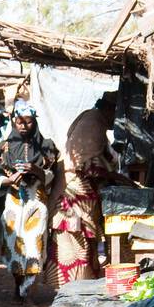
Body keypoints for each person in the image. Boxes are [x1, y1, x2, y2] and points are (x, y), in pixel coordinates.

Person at [54, 98, 125, 285]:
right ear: (109, 110)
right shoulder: (93, 124)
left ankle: (78, 285)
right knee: (77, 243)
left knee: (82, 243)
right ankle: (76, 287)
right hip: (76, 194)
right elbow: (89, 168)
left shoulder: (93, 121)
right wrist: (119, 178)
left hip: (79, 192)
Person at [0, 99, 58, 307]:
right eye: (20, 122)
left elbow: (51, 177)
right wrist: (8, 180)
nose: (24, 126)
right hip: (13, 204)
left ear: (35, 122)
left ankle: (28, 293)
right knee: (15, 245)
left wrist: (35, 170)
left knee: (33, 245)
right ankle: (17, 287)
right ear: (13, 121)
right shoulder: (3, 147)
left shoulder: (47, 146)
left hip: (36, 203)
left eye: (29, 122)